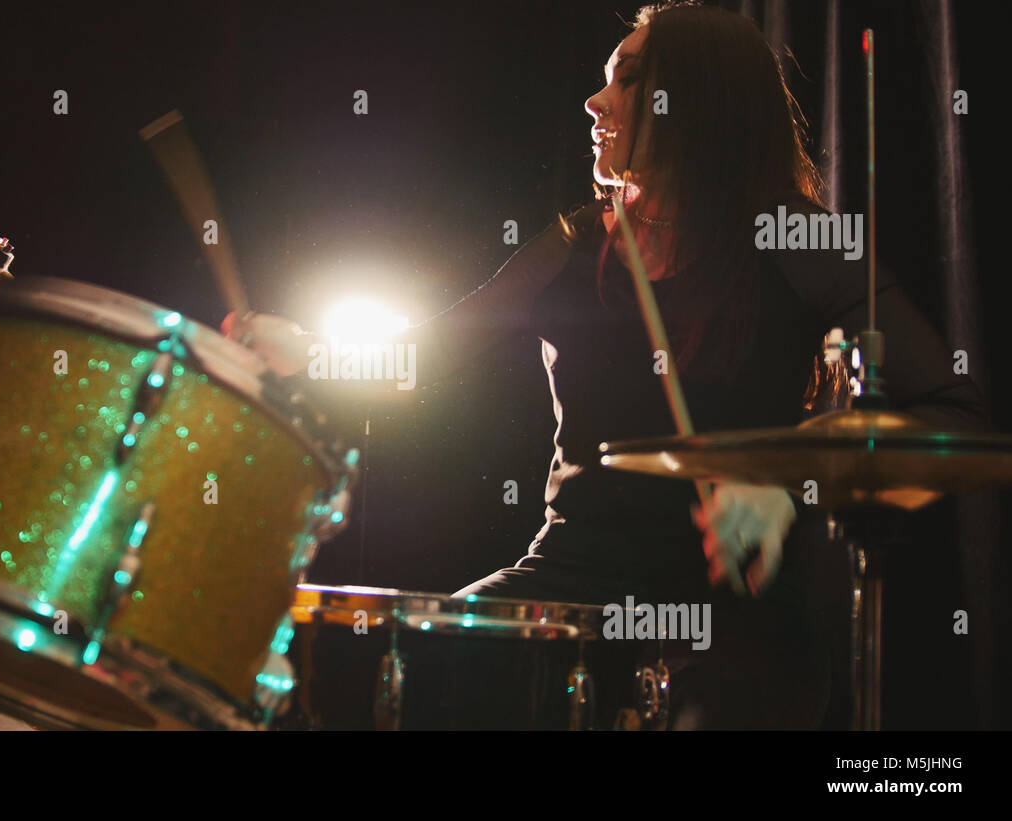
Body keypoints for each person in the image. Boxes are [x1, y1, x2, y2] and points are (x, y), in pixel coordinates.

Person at [226, 1, 987, 728]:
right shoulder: (576, 246)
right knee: (409, 668)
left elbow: (953, 409)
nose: (594, 102)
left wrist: (794, 487)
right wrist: (309, 353)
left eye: (626, 79)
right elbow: (422, 357)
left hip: (733, 615)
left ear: (694, 101)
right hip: (567, 584)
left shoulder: (797, 239)